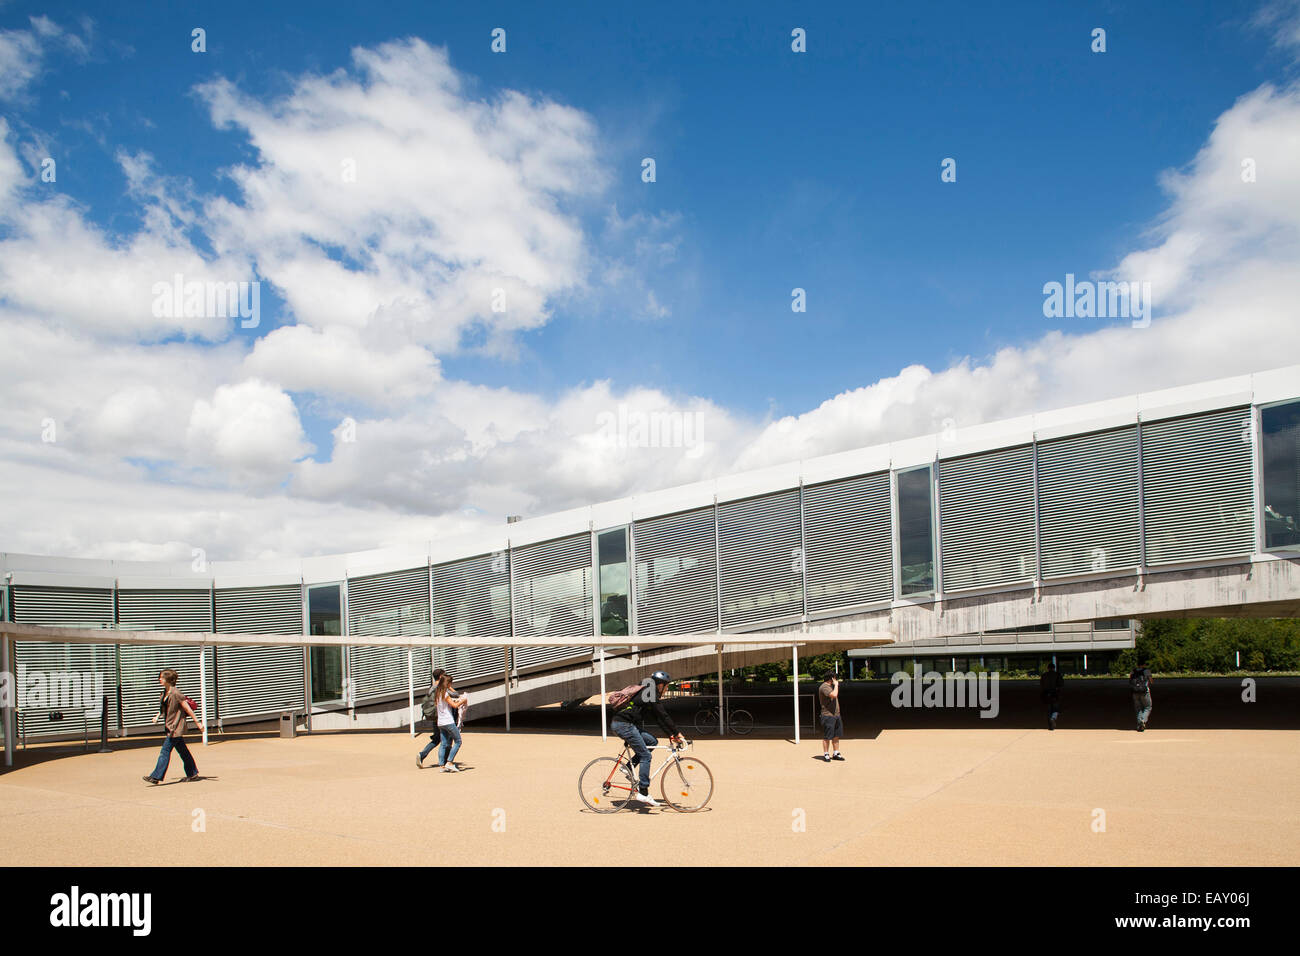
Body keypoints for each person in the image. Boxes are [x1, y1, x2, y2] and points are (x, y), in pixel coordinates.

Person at [609, 669, 687, 806]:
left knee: (652, 741)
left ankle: (628, 767)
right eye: (666, 686)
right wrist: (677, 733)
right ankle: (643, 792)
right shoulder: (650, 692)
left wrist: (670, 734)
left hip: (625, 724)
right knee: (646, 756)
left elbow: (657, 718)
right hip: (624, 725)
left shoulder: (647, 692)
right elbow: (663, 715)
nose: (666, 688)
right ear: (660, 685)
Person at [143, 669, 201, 785]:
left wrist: (198, 723)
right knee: (183, 752)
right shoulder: (165, 692)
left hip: (175, 727)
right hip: (169, 726)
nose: (159, 679)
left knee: (165, 751)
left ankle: (156, 776)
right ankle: (192, 773)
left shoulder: (176, 693)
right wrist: (157, 716)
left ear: (168, 680)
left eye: (161, 678)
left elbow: (187, 708)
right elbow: (163, 707)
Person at [433, 672, 468, 772]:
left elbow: (447, 704)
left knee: (443, 743)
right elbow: (454, 705)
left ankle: (441, 765)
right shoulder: (445, 693)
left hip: (440, 722)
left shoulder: (438, 693)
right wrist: (463, 700)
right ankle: (449, 762)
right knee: (458, 741)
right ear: (447, 683)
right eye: (450, 683)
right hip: (448, 721)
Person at [417, 668, 447, 768]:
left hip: (434, 716)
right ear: (440, 676)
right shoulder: (440, 687)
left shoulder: (432, 687)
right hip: (441, 716)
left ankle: (422, 755)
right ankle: (444, 762)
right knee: (446, 738)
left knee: (437, 738)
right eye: (444, 675)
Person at [818, 671, 844, 761]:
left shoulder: (830, 687)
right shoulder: (824, 687)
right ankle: (826, 753)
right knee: (827, 736)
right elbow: (834, 695)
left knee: (836, 735)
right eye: (835, 678)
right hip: (828, 715)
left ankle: (836, 752)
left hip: (836, 715)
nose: (836, 680)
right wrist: (836, 685)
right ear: (831, 679)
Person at [1130, 662, 1154, 731]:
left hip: (1135, 691)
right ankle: (1143, 721)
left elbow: (1130, 680)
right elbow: (1151, 681)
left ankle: (1139, 725)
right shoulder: (1146, 671)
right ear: (1143, 664)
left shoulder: (1133, 671)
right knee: (1148, 707)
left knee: (1138, 708)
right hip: (1144, 691)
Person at [1040, 661, 1064, 730]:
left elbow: (1042, 685)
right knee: (1056, 709)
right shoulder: (1057, 675)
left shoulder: (1044, 675)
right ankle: (1053, 718)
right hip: (1055, 694)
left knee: (1048, 709)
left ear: (1048, 668)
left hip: (1046, 694)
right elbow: (1061, 684)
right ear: (1054, 668)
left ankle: (1050, 725)